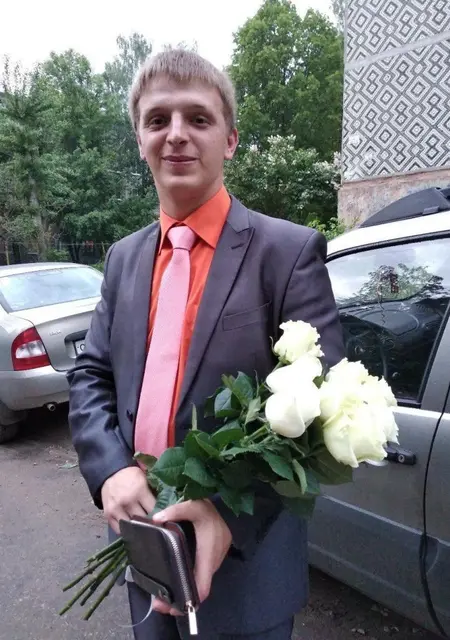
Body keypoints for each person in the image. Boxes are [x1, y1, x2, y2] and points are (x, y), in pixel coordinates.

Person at [67, 48, 345, 640]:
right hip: (145, 551)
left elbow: (322, 413)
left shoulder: (287, 252)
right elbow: (91, 375)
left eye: (198, 118)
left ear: (231, 140)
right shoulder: (122, 259)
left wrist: (226, 514)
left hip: (247, 574)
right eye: (157, 120)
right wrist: (110, 470)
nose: (176, 135)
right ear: (140, 139)